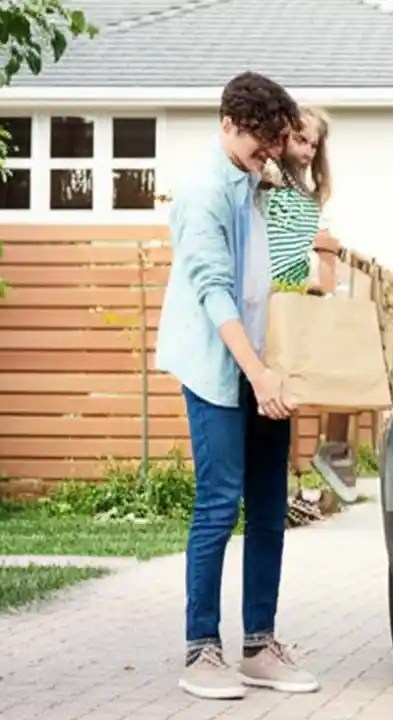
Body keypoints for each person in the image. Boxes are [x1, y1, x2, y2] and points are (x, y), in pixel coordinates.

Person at [156, 71, 319, 700]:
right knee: (220, 505)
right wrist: (255, 374)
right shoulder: (203, 192)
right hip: (221, 369)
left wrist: (273, 368)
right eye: (261, 141)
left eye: (278, 140)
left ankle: (258, 646)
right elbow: (213, 291)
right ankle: (201, 649)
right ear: (227, 124)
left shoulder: (257, 184)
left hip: (263, 366)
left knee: (270, 509)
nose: (271, 151)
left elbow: (274, 275)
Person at [264, 106, 341, 293]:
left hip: (298, 290)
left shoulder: (310, 200)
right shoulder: (267, 180)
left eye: (313, 146)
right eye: (301, 140)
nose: (307, 151)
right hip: (266, 287)